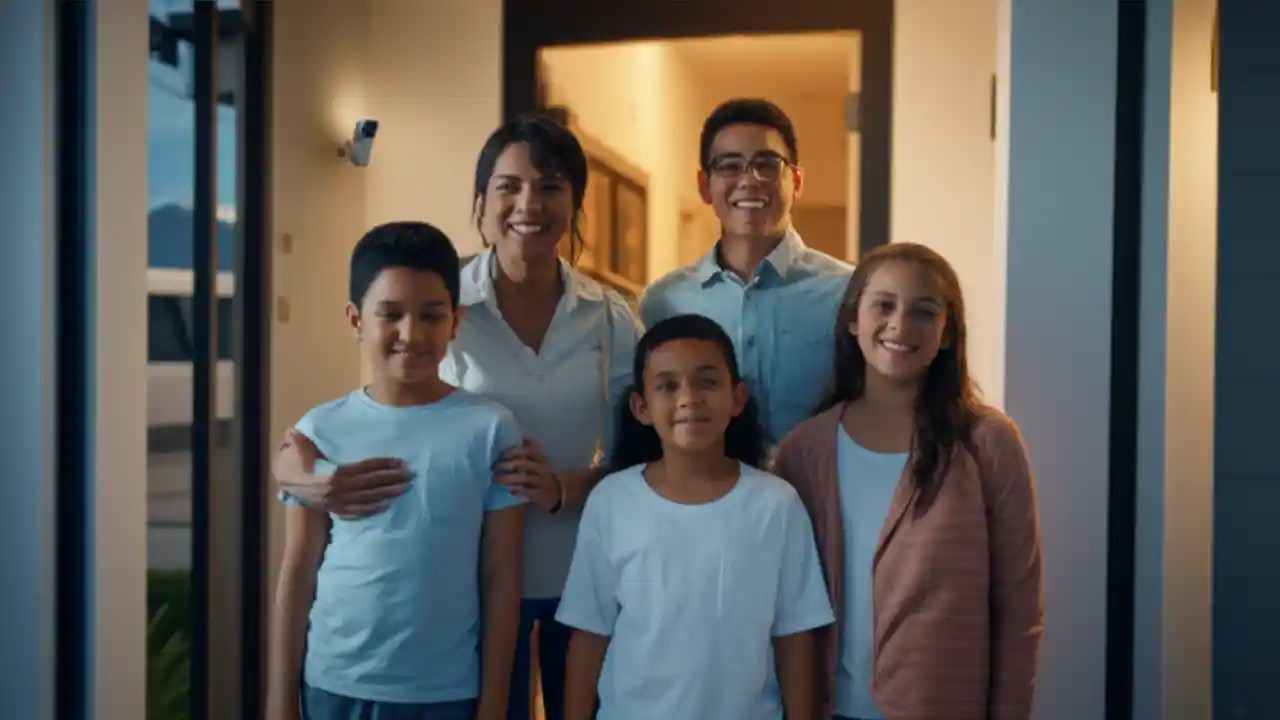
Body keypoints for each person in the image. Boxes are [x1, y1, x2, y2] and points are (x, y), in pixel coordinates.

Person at [273, 114, 640, 720]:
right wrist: (296, 475)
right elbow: (373, 413)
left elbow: (642, 459)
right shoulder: (443, 300)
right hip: (465, 586)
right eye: (509, 186)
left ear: (575, 202)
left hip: (582, 570)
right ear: (481, 199)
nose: (529, 203)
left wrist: (563, 488)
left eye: (550, 186)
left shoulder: (611, 317)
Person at [772, 243, 1044, 720]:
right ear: (853, 320)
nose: (901, 325)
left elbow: (1018, 609)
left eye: (924, 311)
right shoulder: (803, 451)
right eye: (884, 305)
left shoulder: (988, 444)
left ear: (946, 334)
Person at [265, 221, 525, 720]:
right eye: (390, 315)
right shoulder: (319, 430)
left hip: (446, 690)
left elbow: (501, 577)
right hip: (334, 683)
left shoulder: (490, 430)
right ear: (355, 320)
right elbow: (298, 573)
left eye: (431, 315)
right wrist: (279, 701)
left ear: (455, 321)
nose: (411, 334)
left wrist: (494, 701)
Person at [556, 314, 835, 720]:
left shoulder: (776, 504)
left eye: (707, 381)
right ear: (641, 406)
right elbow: (589, 634)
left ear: (737, 397)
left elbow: (794, 637)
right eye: (668, 386)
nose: (689, 397)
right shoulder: (613, 502)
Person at [639, 97, 853, 450]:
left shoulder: (848, 293)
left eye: (767, 164)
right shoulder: (664, 302)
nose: (749, 180)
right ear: (704, 185)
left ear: (796, 180)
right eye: (729, 166)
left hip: (821, 501)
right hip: (705, 502)